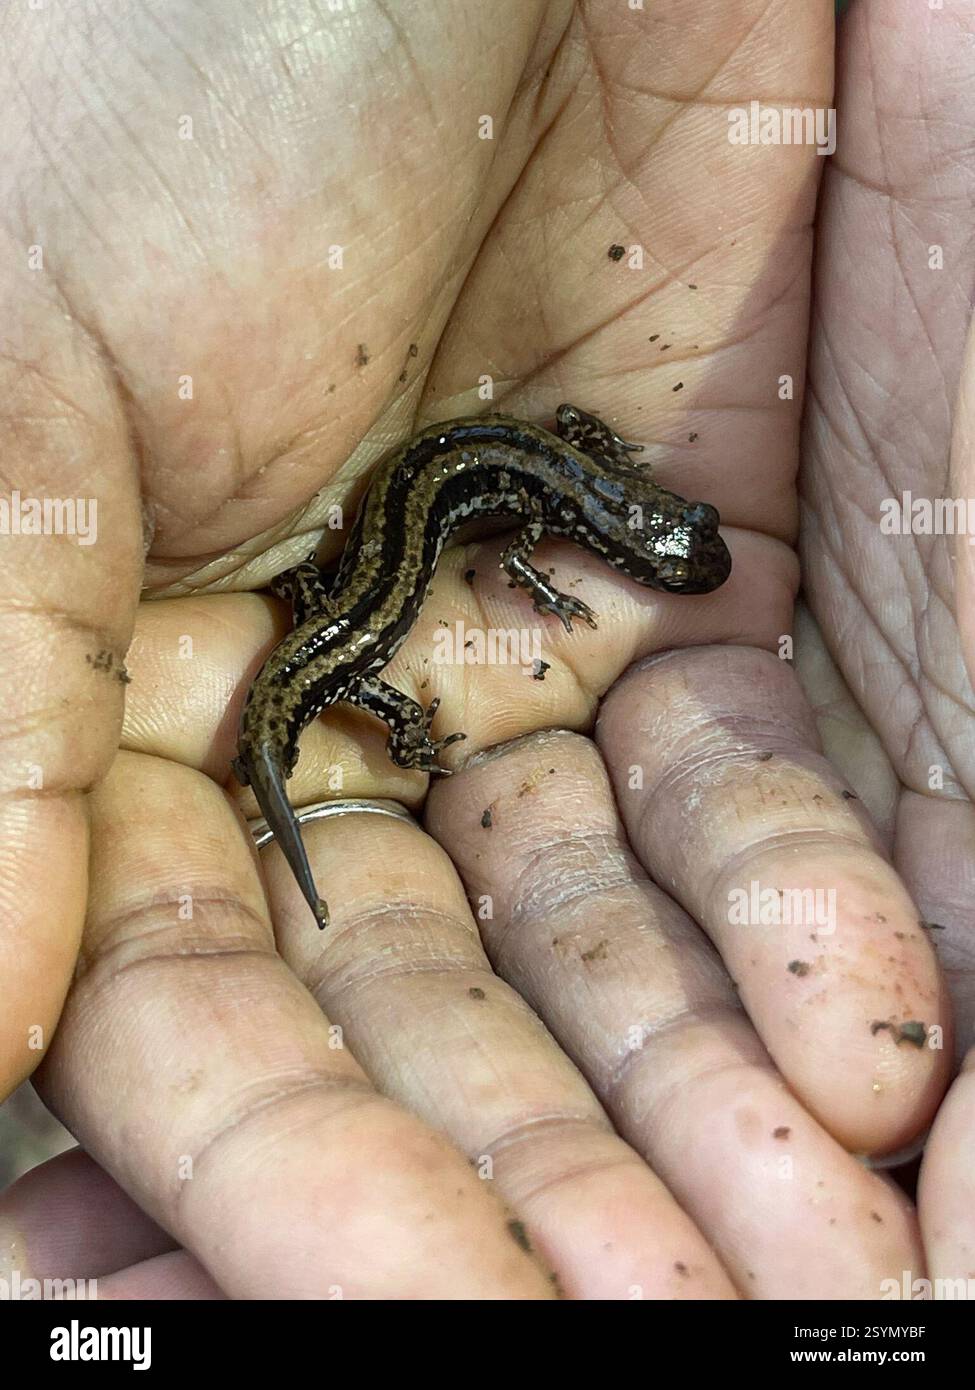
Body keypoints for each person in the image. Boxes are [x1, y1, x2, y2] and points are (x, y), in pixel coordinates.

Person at [0, 0, 969, 1298]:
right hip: (355, 616)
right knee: (373, 687)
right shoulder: (556, 508)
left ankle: (312, 732)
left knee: (349, 626)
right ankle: (336, 761)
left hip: (353, 585)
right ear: (628, 539)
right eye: (662, 550)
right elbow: (515, 528)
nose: (661, 552)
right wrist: (472, 665)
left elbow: (548, 453)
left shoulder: (567, 476)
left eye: (663, 547)